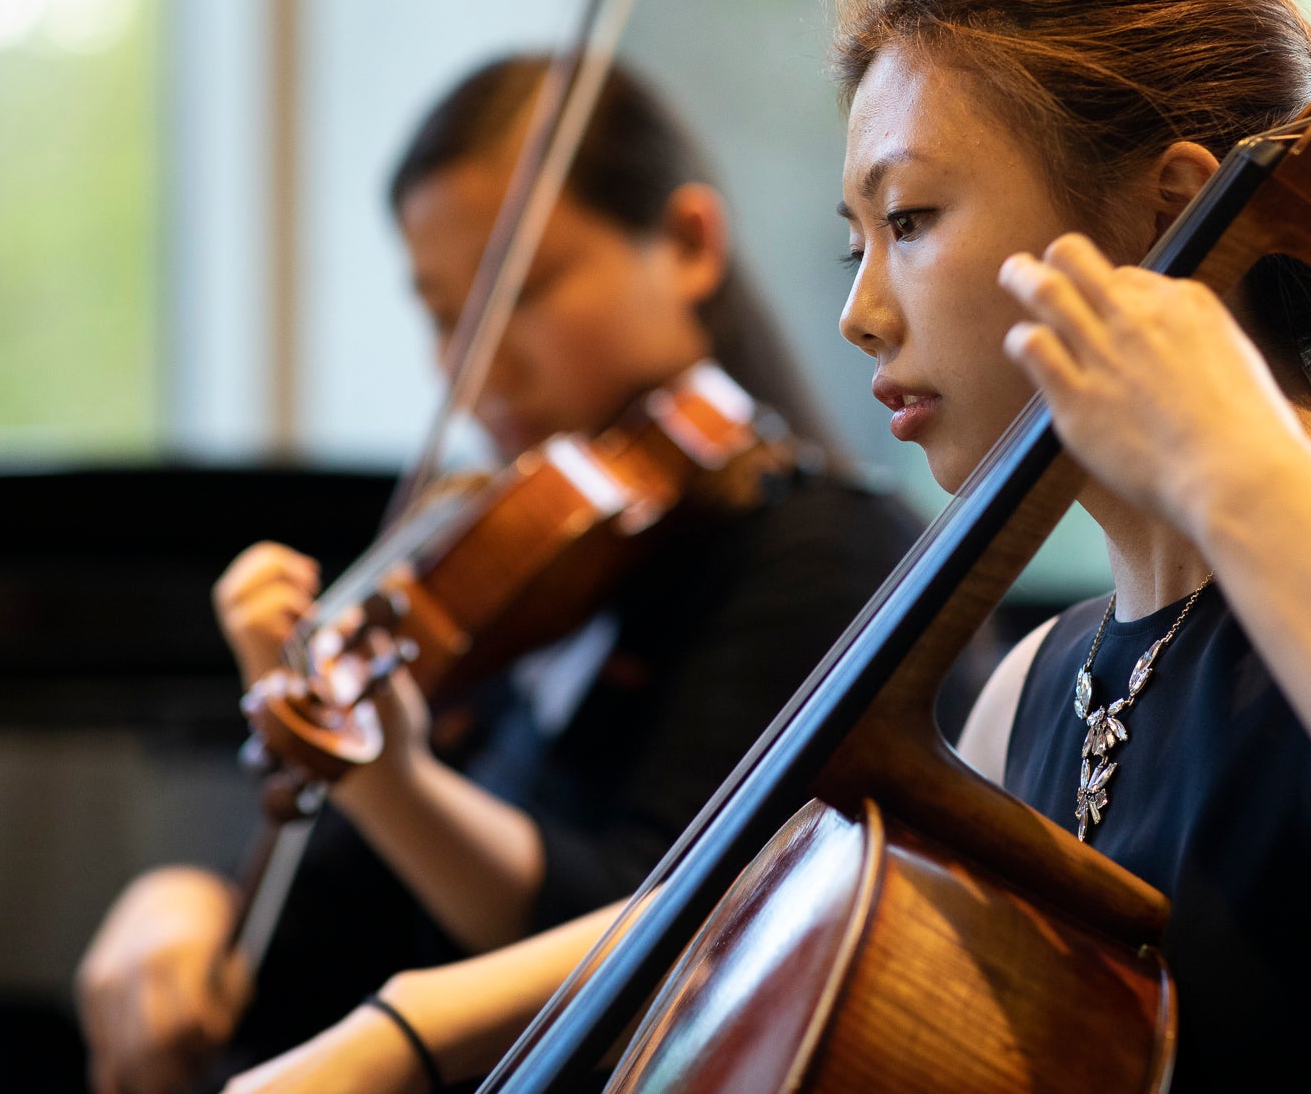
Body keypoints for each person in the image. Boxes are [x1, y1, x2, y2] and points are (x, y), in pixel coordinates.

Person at [217, 0, 1311, 1093]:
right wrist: (395, 1037)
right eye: (854, 242)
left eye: (912, 220)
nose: (858, 313)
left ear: (1166, 213)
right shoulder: (1037, 686)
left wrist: (1239, 462)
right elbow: (740, 909)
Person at [74, 56, 920, 1094]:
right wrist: (192, 899)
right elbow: (347, 918)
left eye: (518, 291)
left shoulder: (824, 552)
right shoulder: (518, 563)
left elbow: (670, 945)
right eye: (443, 315)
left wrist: (390, 782)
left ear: (690, 244)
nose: (475, 365)